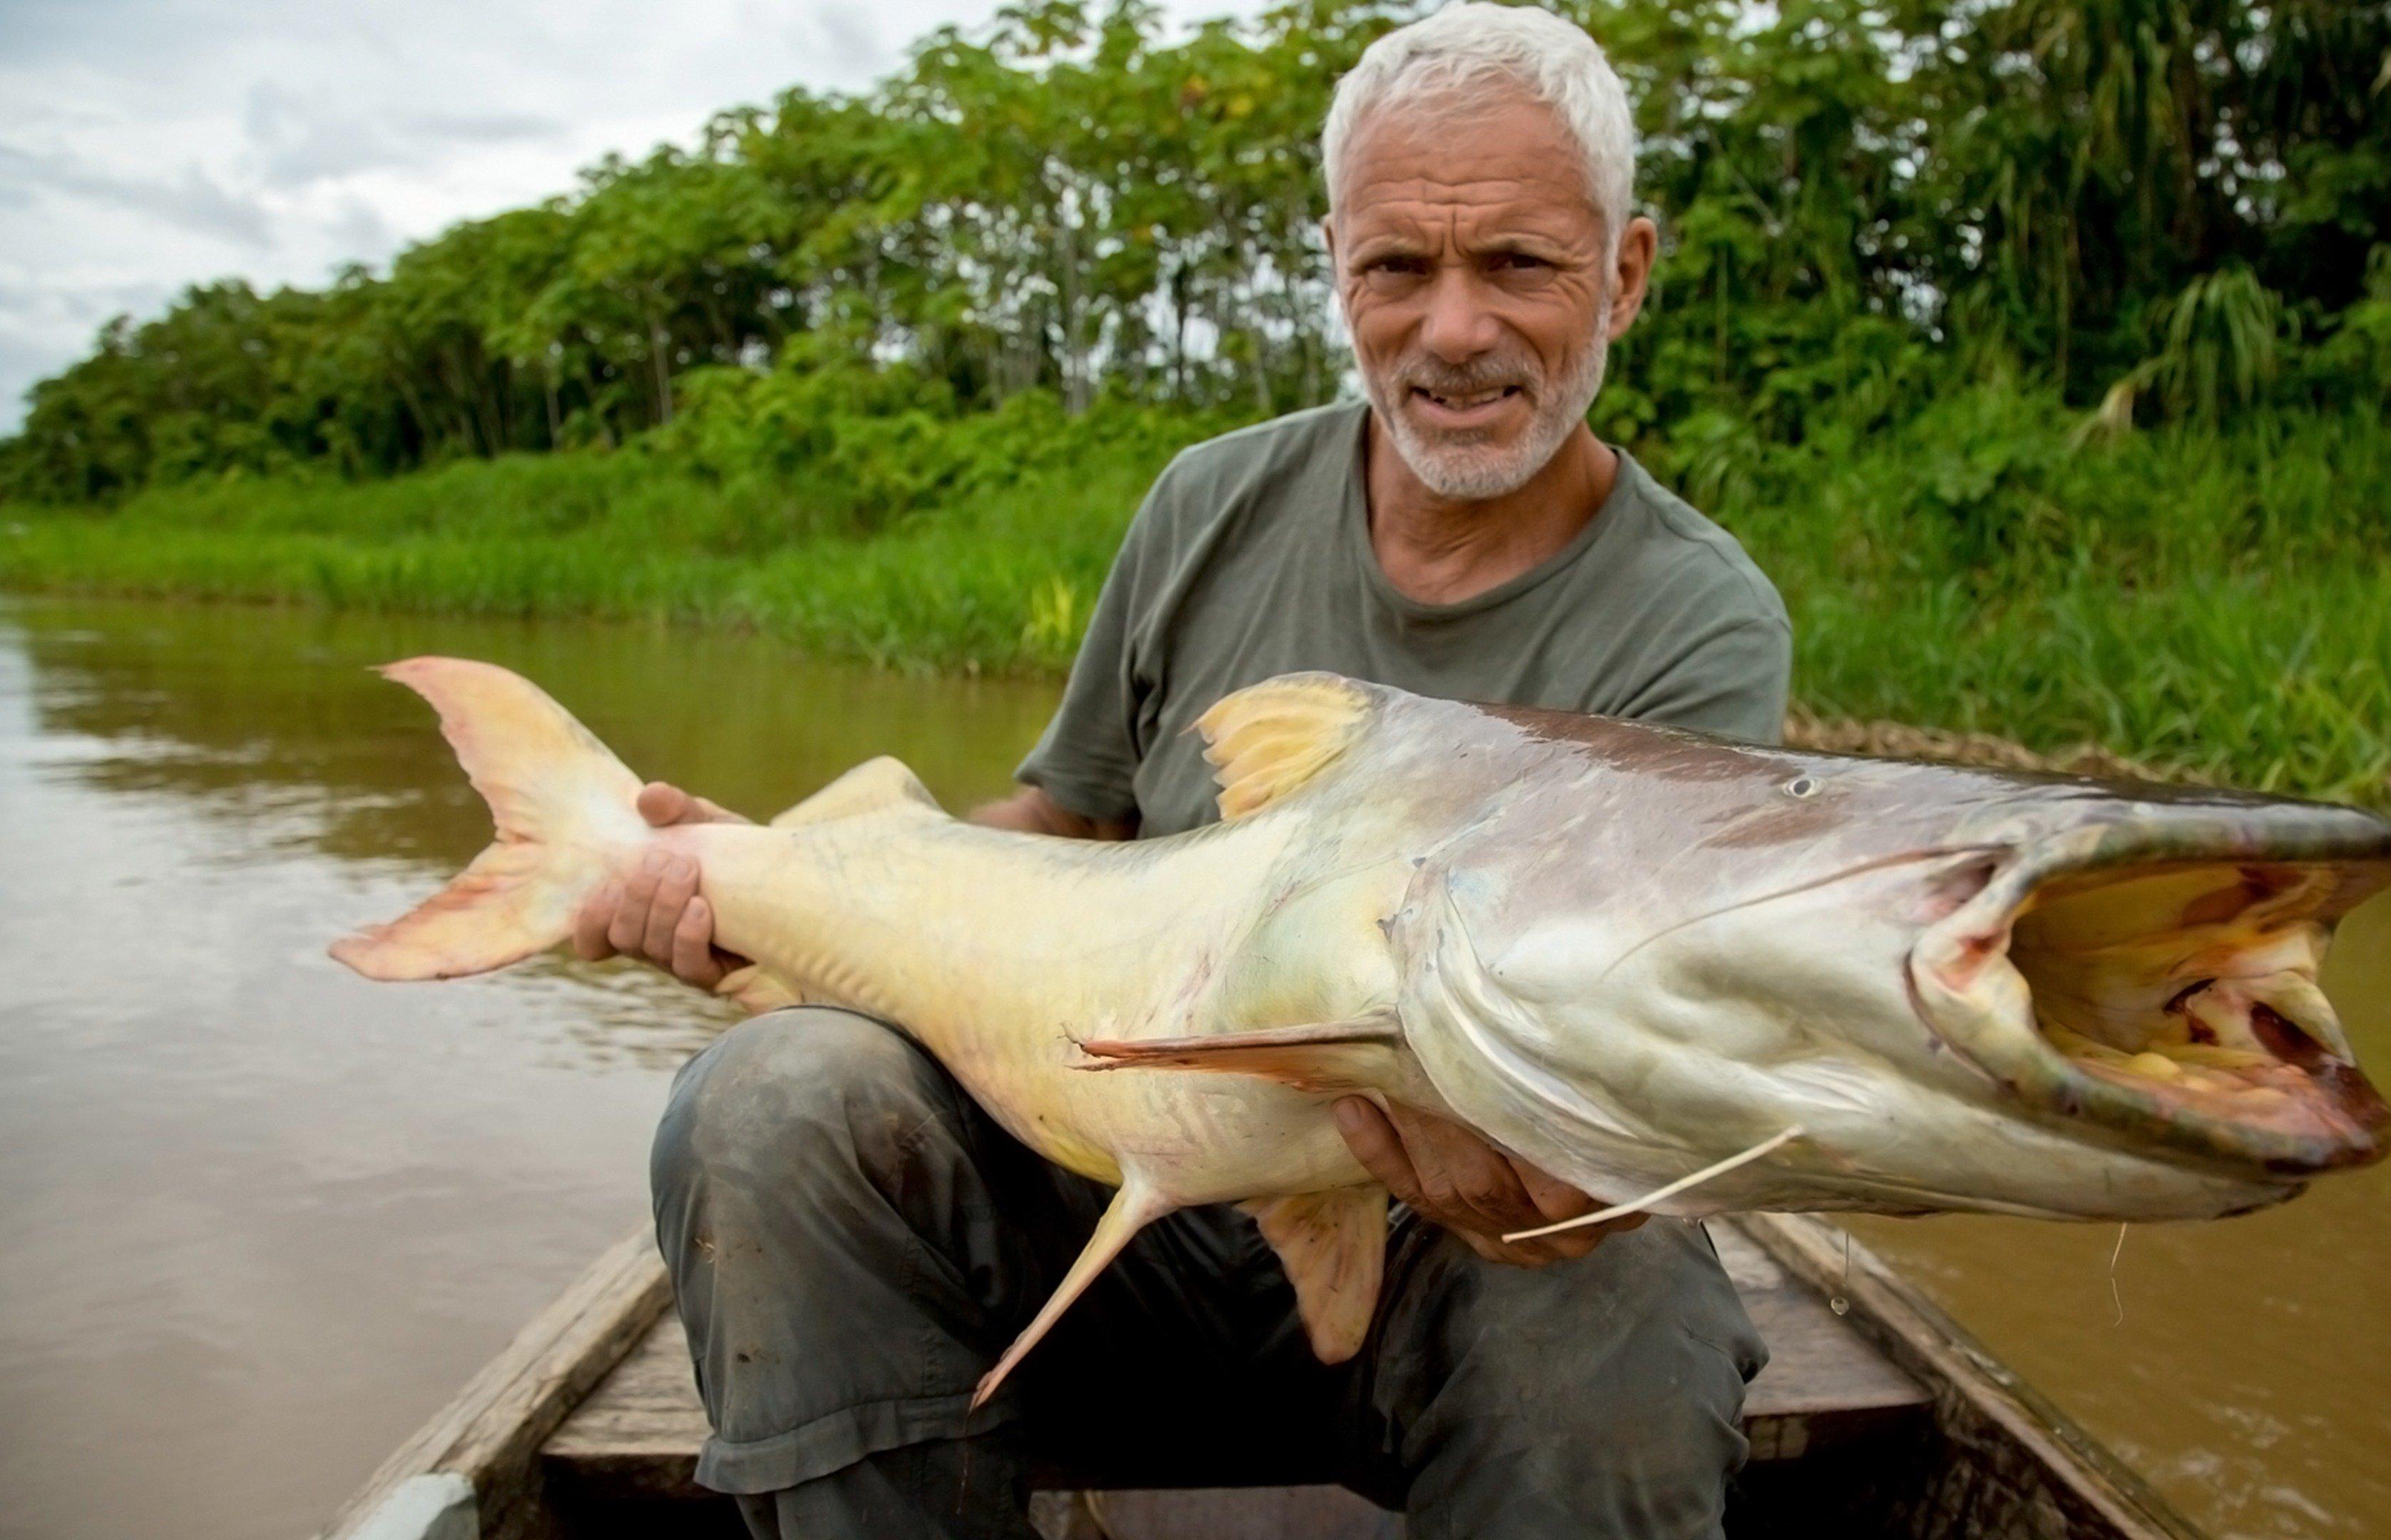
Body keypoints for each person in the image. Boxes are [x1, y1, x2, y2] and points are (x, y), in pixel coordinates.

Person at [598, 6, 1793, 1535]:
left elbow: (1639, 1032)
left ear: (1623, 274)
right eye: (1397, 268)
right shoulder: (1208, 504)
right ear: (1335, 267)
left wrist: (1548, 1165)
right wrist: (796, 895)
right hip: (1116, 1200)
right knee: (772, 1100)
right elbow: (1063, 823)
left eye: (1516, 264)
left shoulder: (1693, 620)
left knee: (1628, 1290)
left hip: (1454, 1245)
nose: (1452, 332)